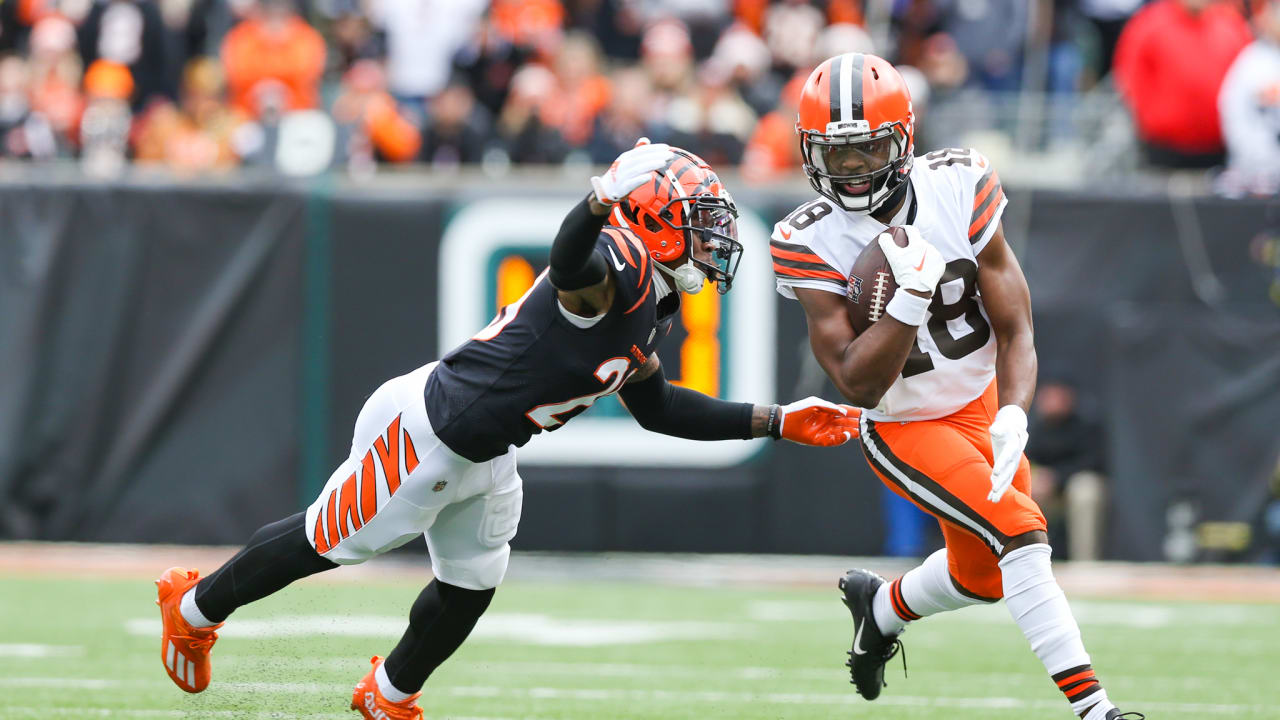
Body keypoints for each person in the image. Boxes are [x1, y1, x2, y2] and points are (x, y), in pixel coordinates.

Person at [155, 140, 863, 719]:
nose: (714, 236)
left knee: (471, 581)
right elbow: (567, 261)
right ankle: (193, 607)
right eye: (698, 219)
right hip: (429, 431)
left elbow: (660, 409)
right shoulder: (615, 266)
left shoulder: (651, 300)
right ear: (649, 219)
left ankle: (390, 695)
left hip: (485, 447)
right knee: (328, 541)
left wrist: (778, 421)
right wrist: (599, 197)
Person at [772, 53, 1143, 720]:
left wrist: (1014, 415)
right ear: (810, 153)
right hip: (905, 424)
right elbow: (855, 382)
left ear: (905, 140)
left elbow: (1016, 323)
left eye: (869, 152)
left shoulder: (959, 183)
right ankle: (1098, 712)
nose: (854, 172)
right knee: (1022, 534)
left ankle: (880, 608)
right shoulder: (810, 237)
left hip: (977, 402)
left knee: (983, 576)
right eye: (838, 156)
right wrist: (908, 301)